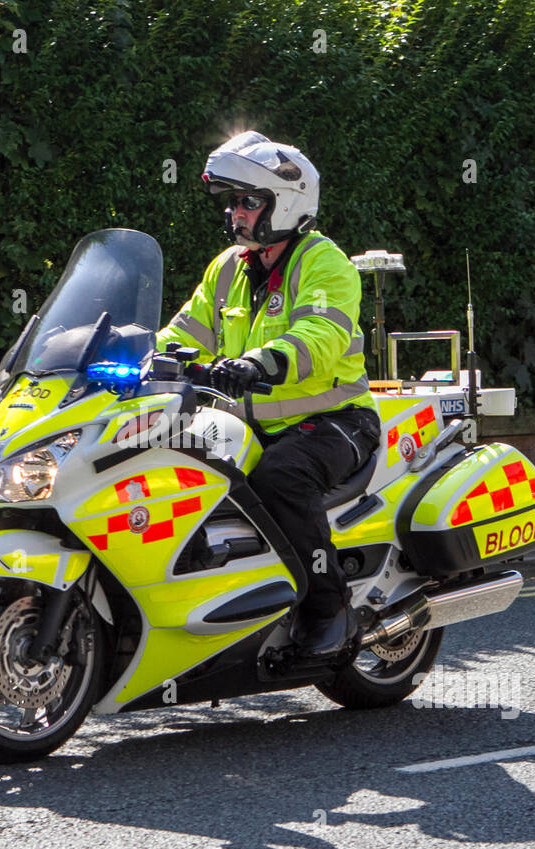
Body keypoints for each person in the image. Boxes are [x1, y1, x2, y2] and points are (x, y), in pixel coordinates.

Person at [156, 130, 381, 660]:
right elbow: (183, 332)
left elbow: (319, 336)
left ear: (286, 202)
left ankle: (327, 608)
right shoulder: (228, 267)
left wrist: (259, 362)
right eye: (233, 202)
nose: (236, 213)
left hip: (334, 421)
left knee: (280, 475)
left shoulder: (324, 263)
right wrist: (139, 357)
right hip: (247, 424)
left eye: (249, 201)